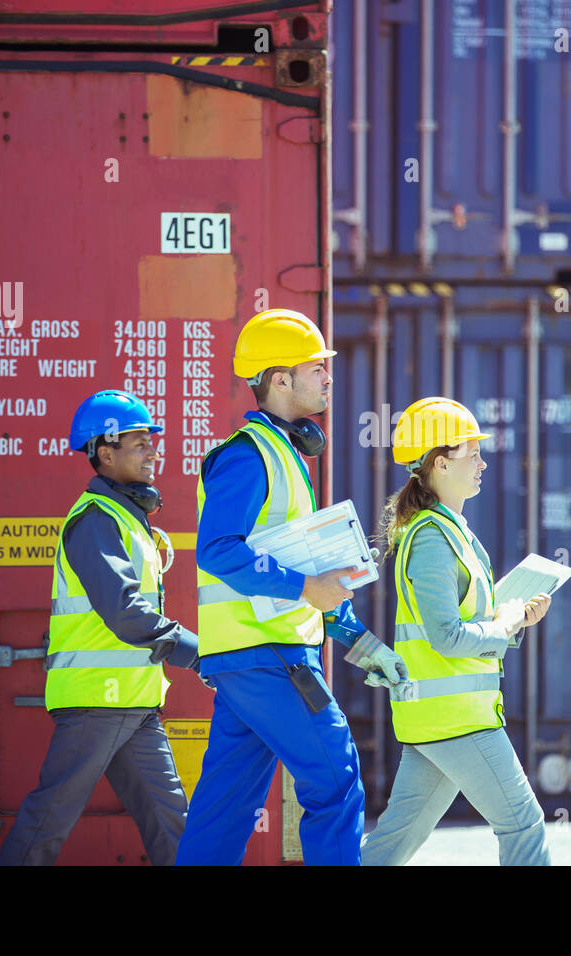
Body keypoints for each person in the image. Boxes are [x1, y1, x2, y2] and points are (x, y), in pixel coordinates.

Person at [174, 308, 408, 866]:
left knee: (225, 808)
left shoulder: (282, 455)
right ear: (280, 379)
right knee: (335, 780)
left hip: (252, 660)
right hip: (270, 659)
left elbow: (293, 572)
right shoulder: (247, 457)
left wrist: (359, 641)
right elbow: (218, 550)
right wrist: (306, 586)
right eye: (315, 367)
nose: (328, 376)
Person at [0, 390, 201, 866]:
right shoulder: (94, 522)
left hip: (134, 700)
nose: (153, 451)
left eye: (153, 441)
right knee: (47, 823)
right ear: (105, 453)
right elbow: (125, 611)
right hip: (97, 701)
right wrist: (196, 652)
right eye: (139, 443)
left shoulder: (126, 518)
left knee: (172, 826)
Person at [360, 396, 553, 866]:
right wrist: (503, 625)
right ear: (442, 463)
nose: (483, 463)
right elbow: (445, 635)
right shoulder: (431, 537)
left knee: (393, 843)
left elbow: (465, 622)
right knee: (523, 824)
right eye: (473, 454)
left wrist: (514, 620)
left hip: (437, 717)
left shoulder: (449, 531)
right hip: (457, 720)